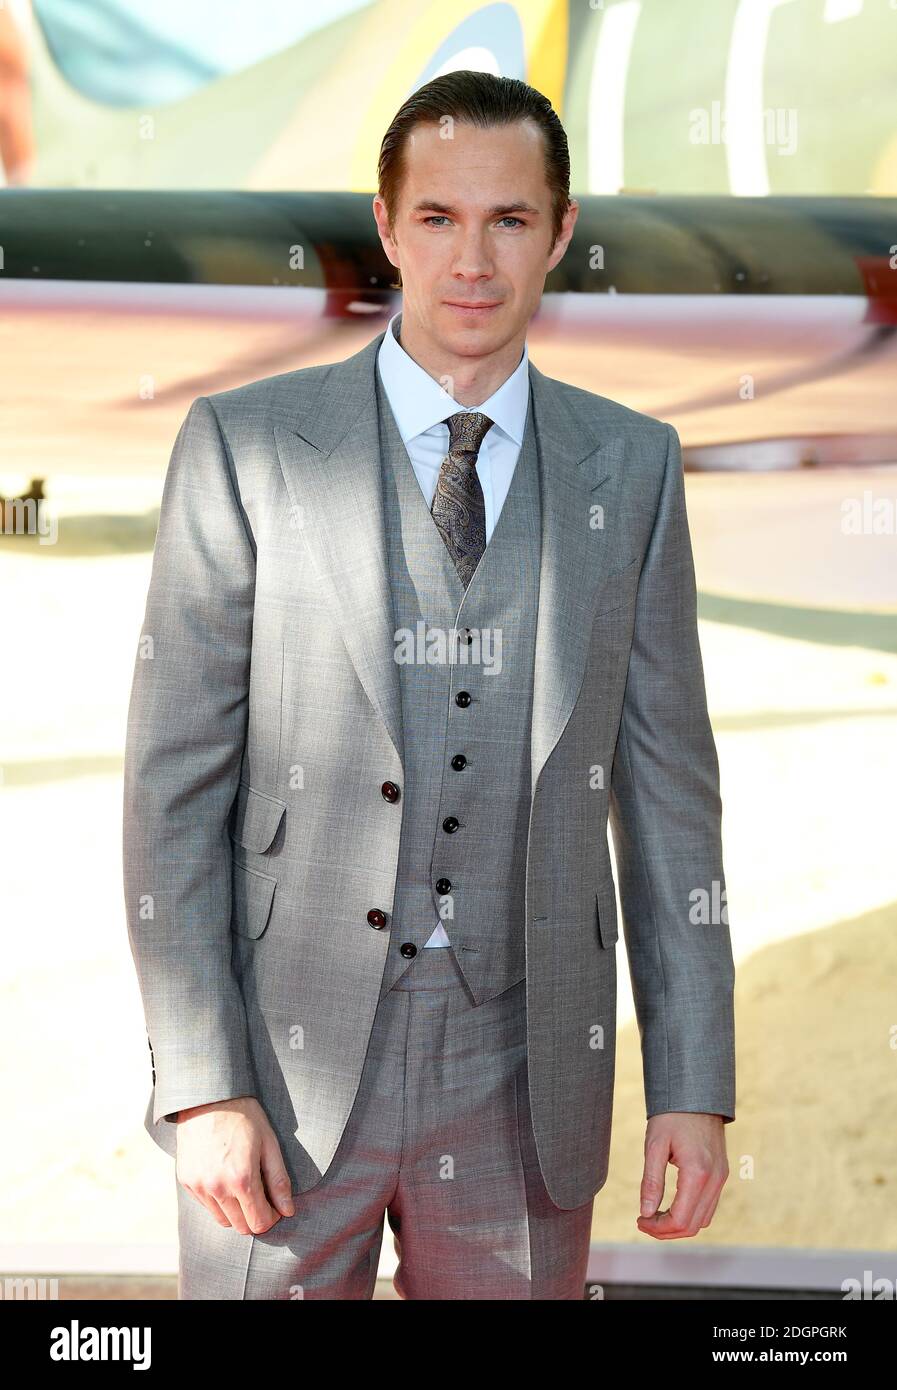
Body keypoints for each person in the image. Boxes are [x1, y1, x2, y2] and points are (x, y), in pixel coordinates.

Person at [123, 70, 735, 1301]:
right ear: (389, 227)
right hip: (284, 1084)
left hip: (523, 1079)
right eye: (440, 218)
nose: (473, 259)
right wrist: (202, 1083)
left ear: (558, 235)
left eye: (510, 219)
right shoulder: (244, 447)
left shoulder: (637, 465)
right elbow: (171, 788)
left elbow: (672, 798)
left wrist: (693, 1083)